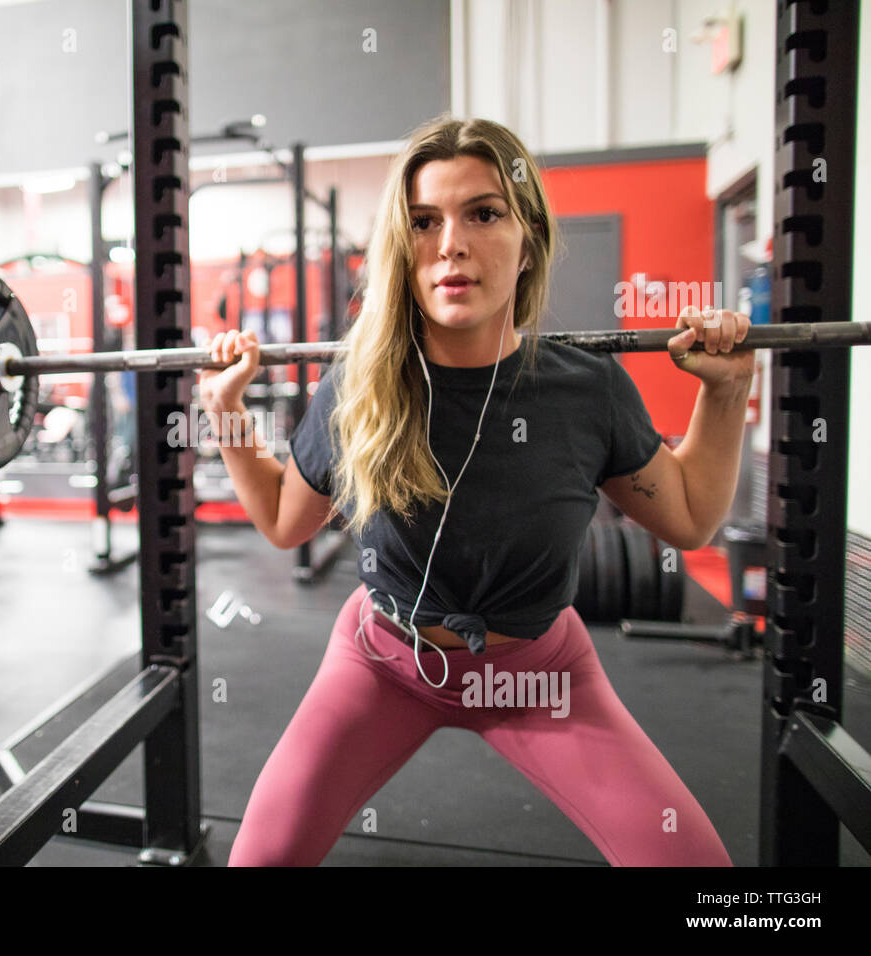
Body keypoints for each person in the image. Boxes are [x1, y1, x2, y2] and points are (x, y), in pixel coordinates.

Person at [201, 115, 749, 867]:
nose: (450, 244)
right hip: (382, 664)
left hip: (538, 675)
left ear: (529, 240)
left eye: (484, 214)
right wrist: (224, 413)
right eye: (424, 221)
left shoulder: (587, 391)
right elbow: (282, 521)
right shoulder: (358, 388)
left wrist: (725, 393)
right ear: (401, 247)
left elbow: (688, 520)